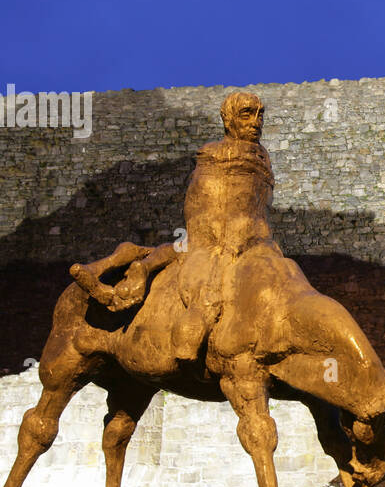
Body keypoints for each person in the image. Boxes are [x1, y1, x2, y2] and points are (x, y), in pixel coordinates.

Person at [68, 91, 278, 360]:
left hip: (249, 239)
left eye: (260, 114)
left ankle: (125, 266)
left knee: (173, 251)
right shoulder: (217, 154)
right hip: (218, 236)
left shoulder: (261, 157)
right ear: (228, 119)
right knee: (206, 288)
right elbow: (200, 200)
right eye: (247, 113)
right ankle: (165, 306)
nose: (256, 121)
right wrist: (213, 236)